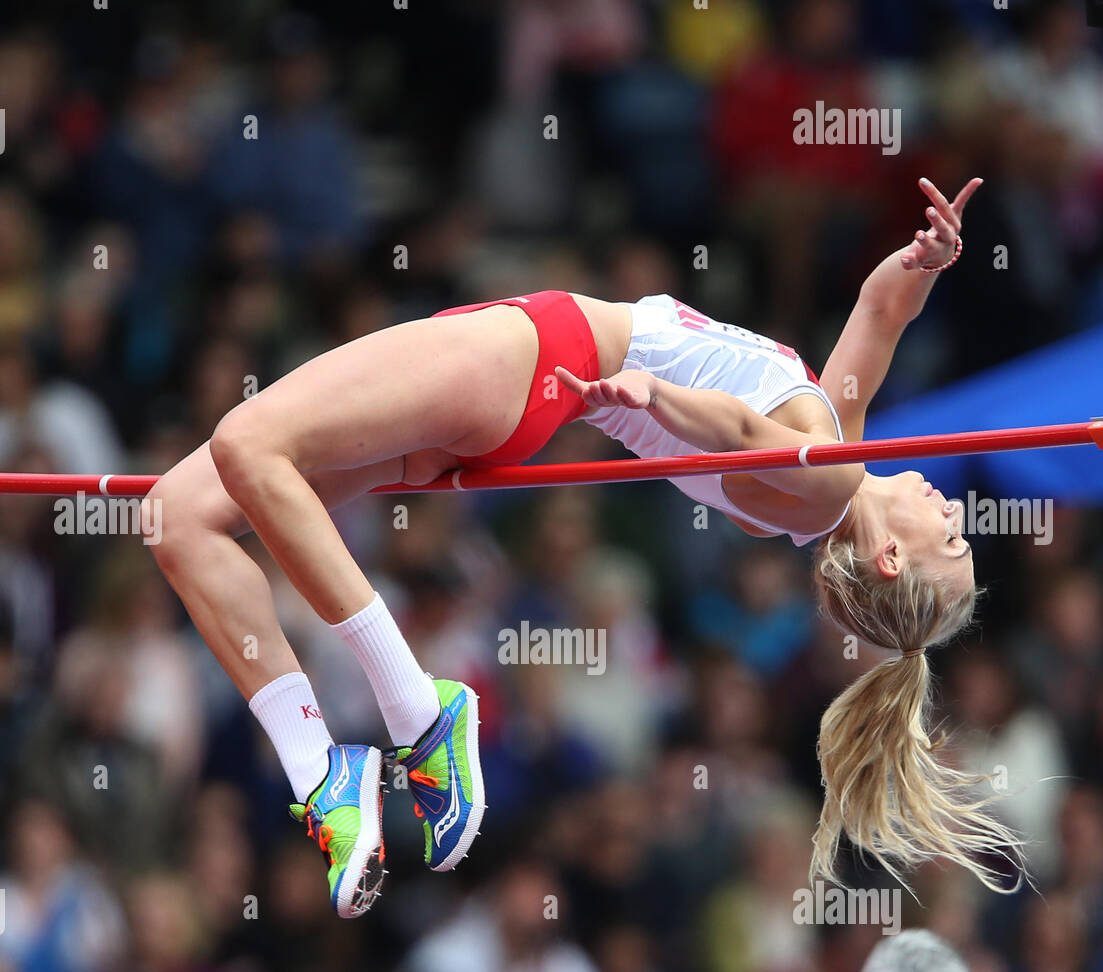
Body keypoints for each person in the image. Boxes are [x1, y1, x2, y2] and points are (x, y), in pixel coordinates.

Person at [148, 175, 1018, 916]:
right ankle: (320, 771)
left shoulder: (821, 479)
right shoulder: (829, 461)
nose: (953, 512)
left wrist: (655, 395)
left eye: (951, 539)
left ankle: (420, 713)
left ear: (891, 560)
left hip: (539, 359)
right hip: (527, 390)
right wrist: (924, 260)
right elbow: (877, 313)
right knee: (177, 516)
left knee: (248, 446)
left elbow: (739, 427)